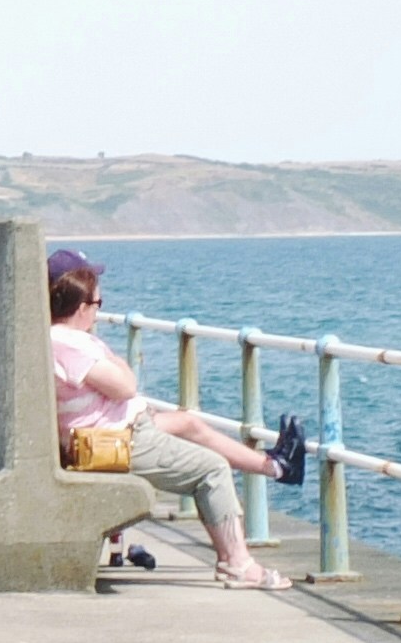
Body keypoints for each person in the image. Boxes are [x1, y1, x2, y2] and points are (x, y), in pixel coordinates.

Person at [46, 249, 303, 590]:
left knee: (188, 423)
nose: (98, 310)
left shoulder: (55, 338)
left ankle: (277, 466)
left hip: (108, 430)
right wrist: (112, 357)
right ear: (80, 307)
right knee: (211, 470)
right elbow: (125, 386)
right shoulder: (71, 343)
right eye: (98, 303)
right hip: (115, 441)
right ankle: (237, 564)